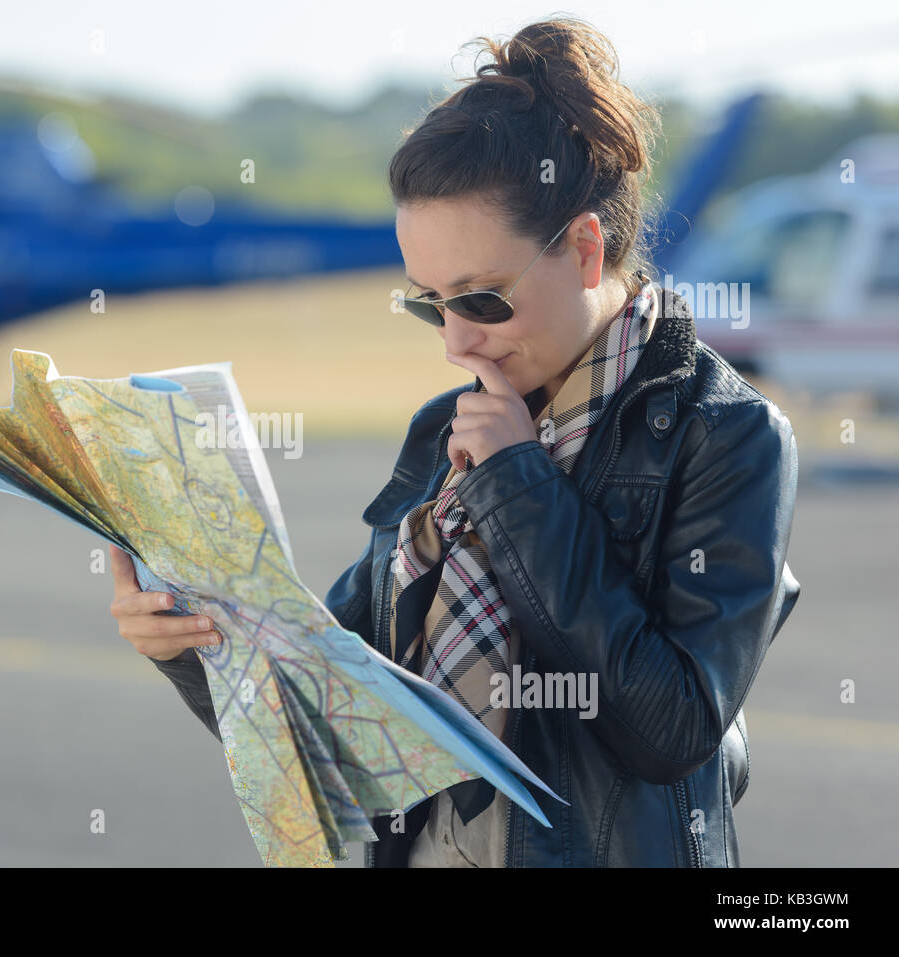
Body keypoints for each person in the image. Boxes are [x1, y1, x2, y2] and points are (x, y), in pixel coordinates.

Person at [108, 16, 801, 867]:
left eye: (479, 299)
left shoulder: (726, 435)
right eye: (427, 302)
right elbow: (332, 722)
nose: (454, 343)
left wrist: (519, 486)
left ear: (585, 249)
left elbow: (669, 731)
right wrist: (194, 640)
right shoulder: (448, 426)